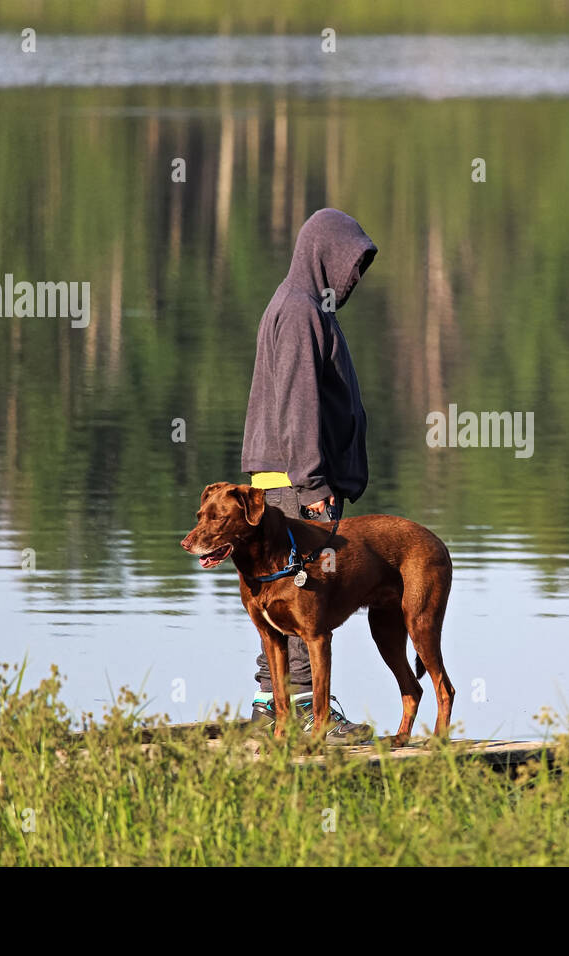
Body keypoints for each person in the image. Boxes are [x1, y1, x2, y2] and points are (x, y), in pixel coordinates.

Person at [240, 208, 377, 741]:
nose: (354, 278)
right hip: (296, 486)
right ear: (323, 255)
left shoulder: (304, 306)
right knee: (304, 593)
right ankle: (299, 709)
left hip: (291, 481)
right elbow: (298, 406)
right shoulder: (299, 311)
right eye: (351, 264)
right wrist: (315, 486)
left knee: (282, 591)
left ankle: (271, 704)